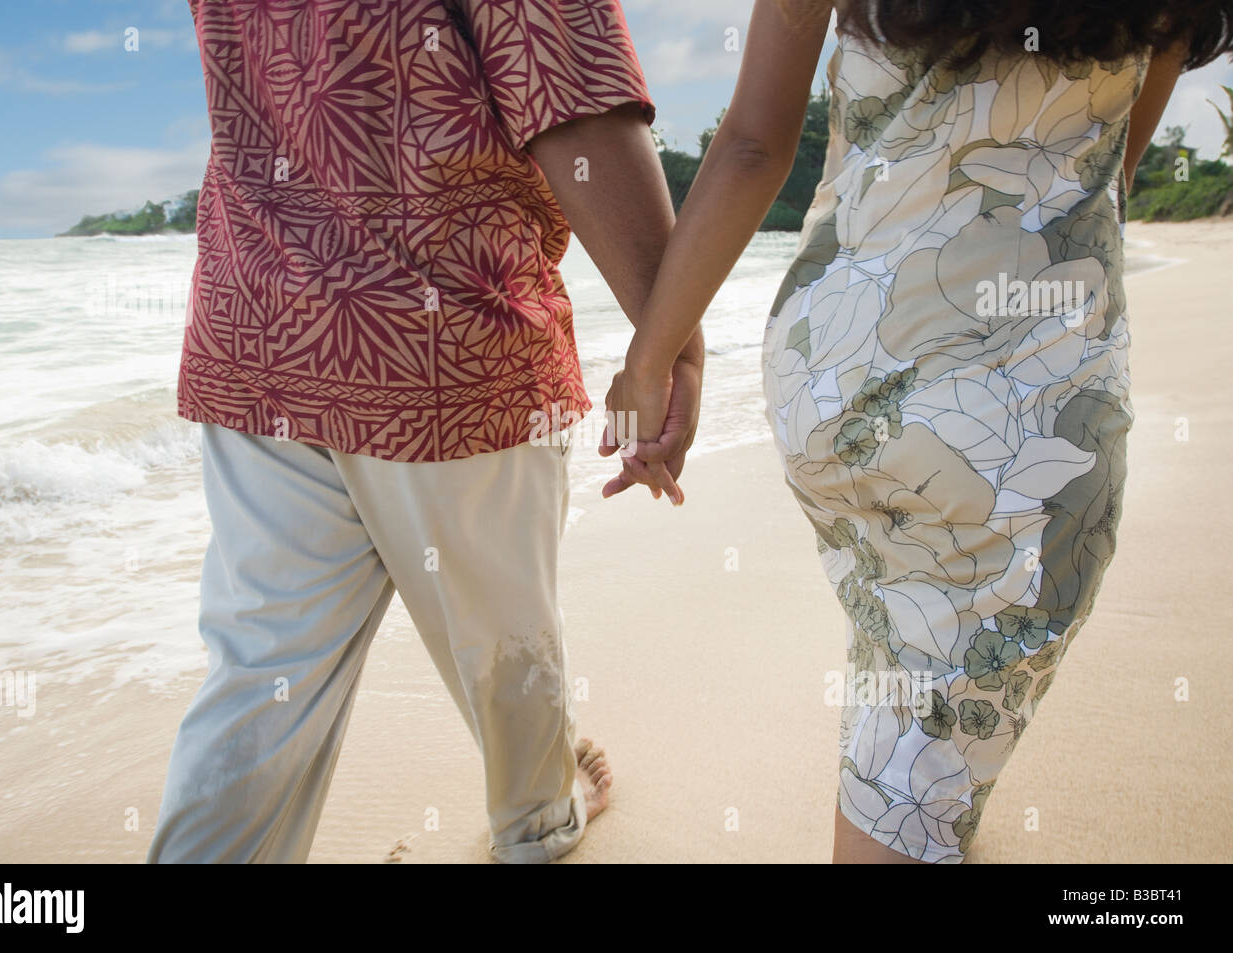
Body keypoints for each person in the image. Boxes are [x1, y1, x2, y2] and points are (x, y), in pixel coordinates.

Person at [606, 0, 1232, 862]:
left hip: (834, 375)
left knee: (905, 682)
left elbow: (753, 147)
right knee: (918, 787)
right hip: (1019, 410)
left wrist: (651, 364)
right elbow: (1102, 186)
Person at [148, 0, 701, 864]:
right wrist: (673, 345)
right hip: (443, 339)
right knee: (501, 639)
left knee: (261, 672)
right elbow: (568, 102)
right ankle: (539, 819)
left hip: (257, 328)